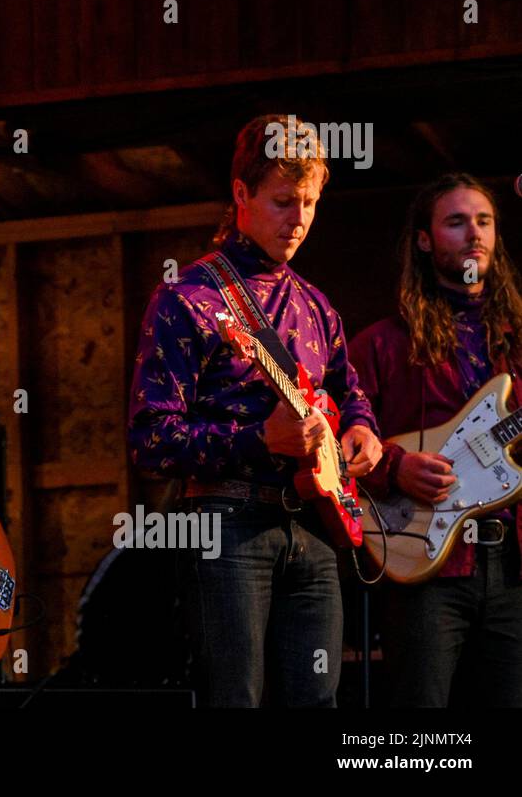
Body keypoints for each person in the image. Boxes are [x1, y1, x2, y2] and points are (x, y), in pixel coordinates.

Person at [127, 114, 382, 706]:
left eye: (311, 203)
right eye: (283, 202)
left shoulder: (317, 304)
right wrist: (258, 438)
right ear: (240, 194)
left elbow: (352, 393)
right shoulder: (187, 298)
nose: (299, 221)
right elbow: (149, 439)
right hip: (227, 524)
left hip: (315, 526)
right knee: (232, 698)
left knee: (319, 701)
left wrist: (363, 431)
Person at [351, 173, 522, 706]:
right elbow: (337, 438)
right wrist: (394, 467)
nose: (475, 233)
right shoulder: (381, 343)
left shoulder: (517, 338)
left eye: (484, 221)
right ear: (424, 240)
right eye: (456, 222)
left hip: (513, 565)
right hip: (424, 562)